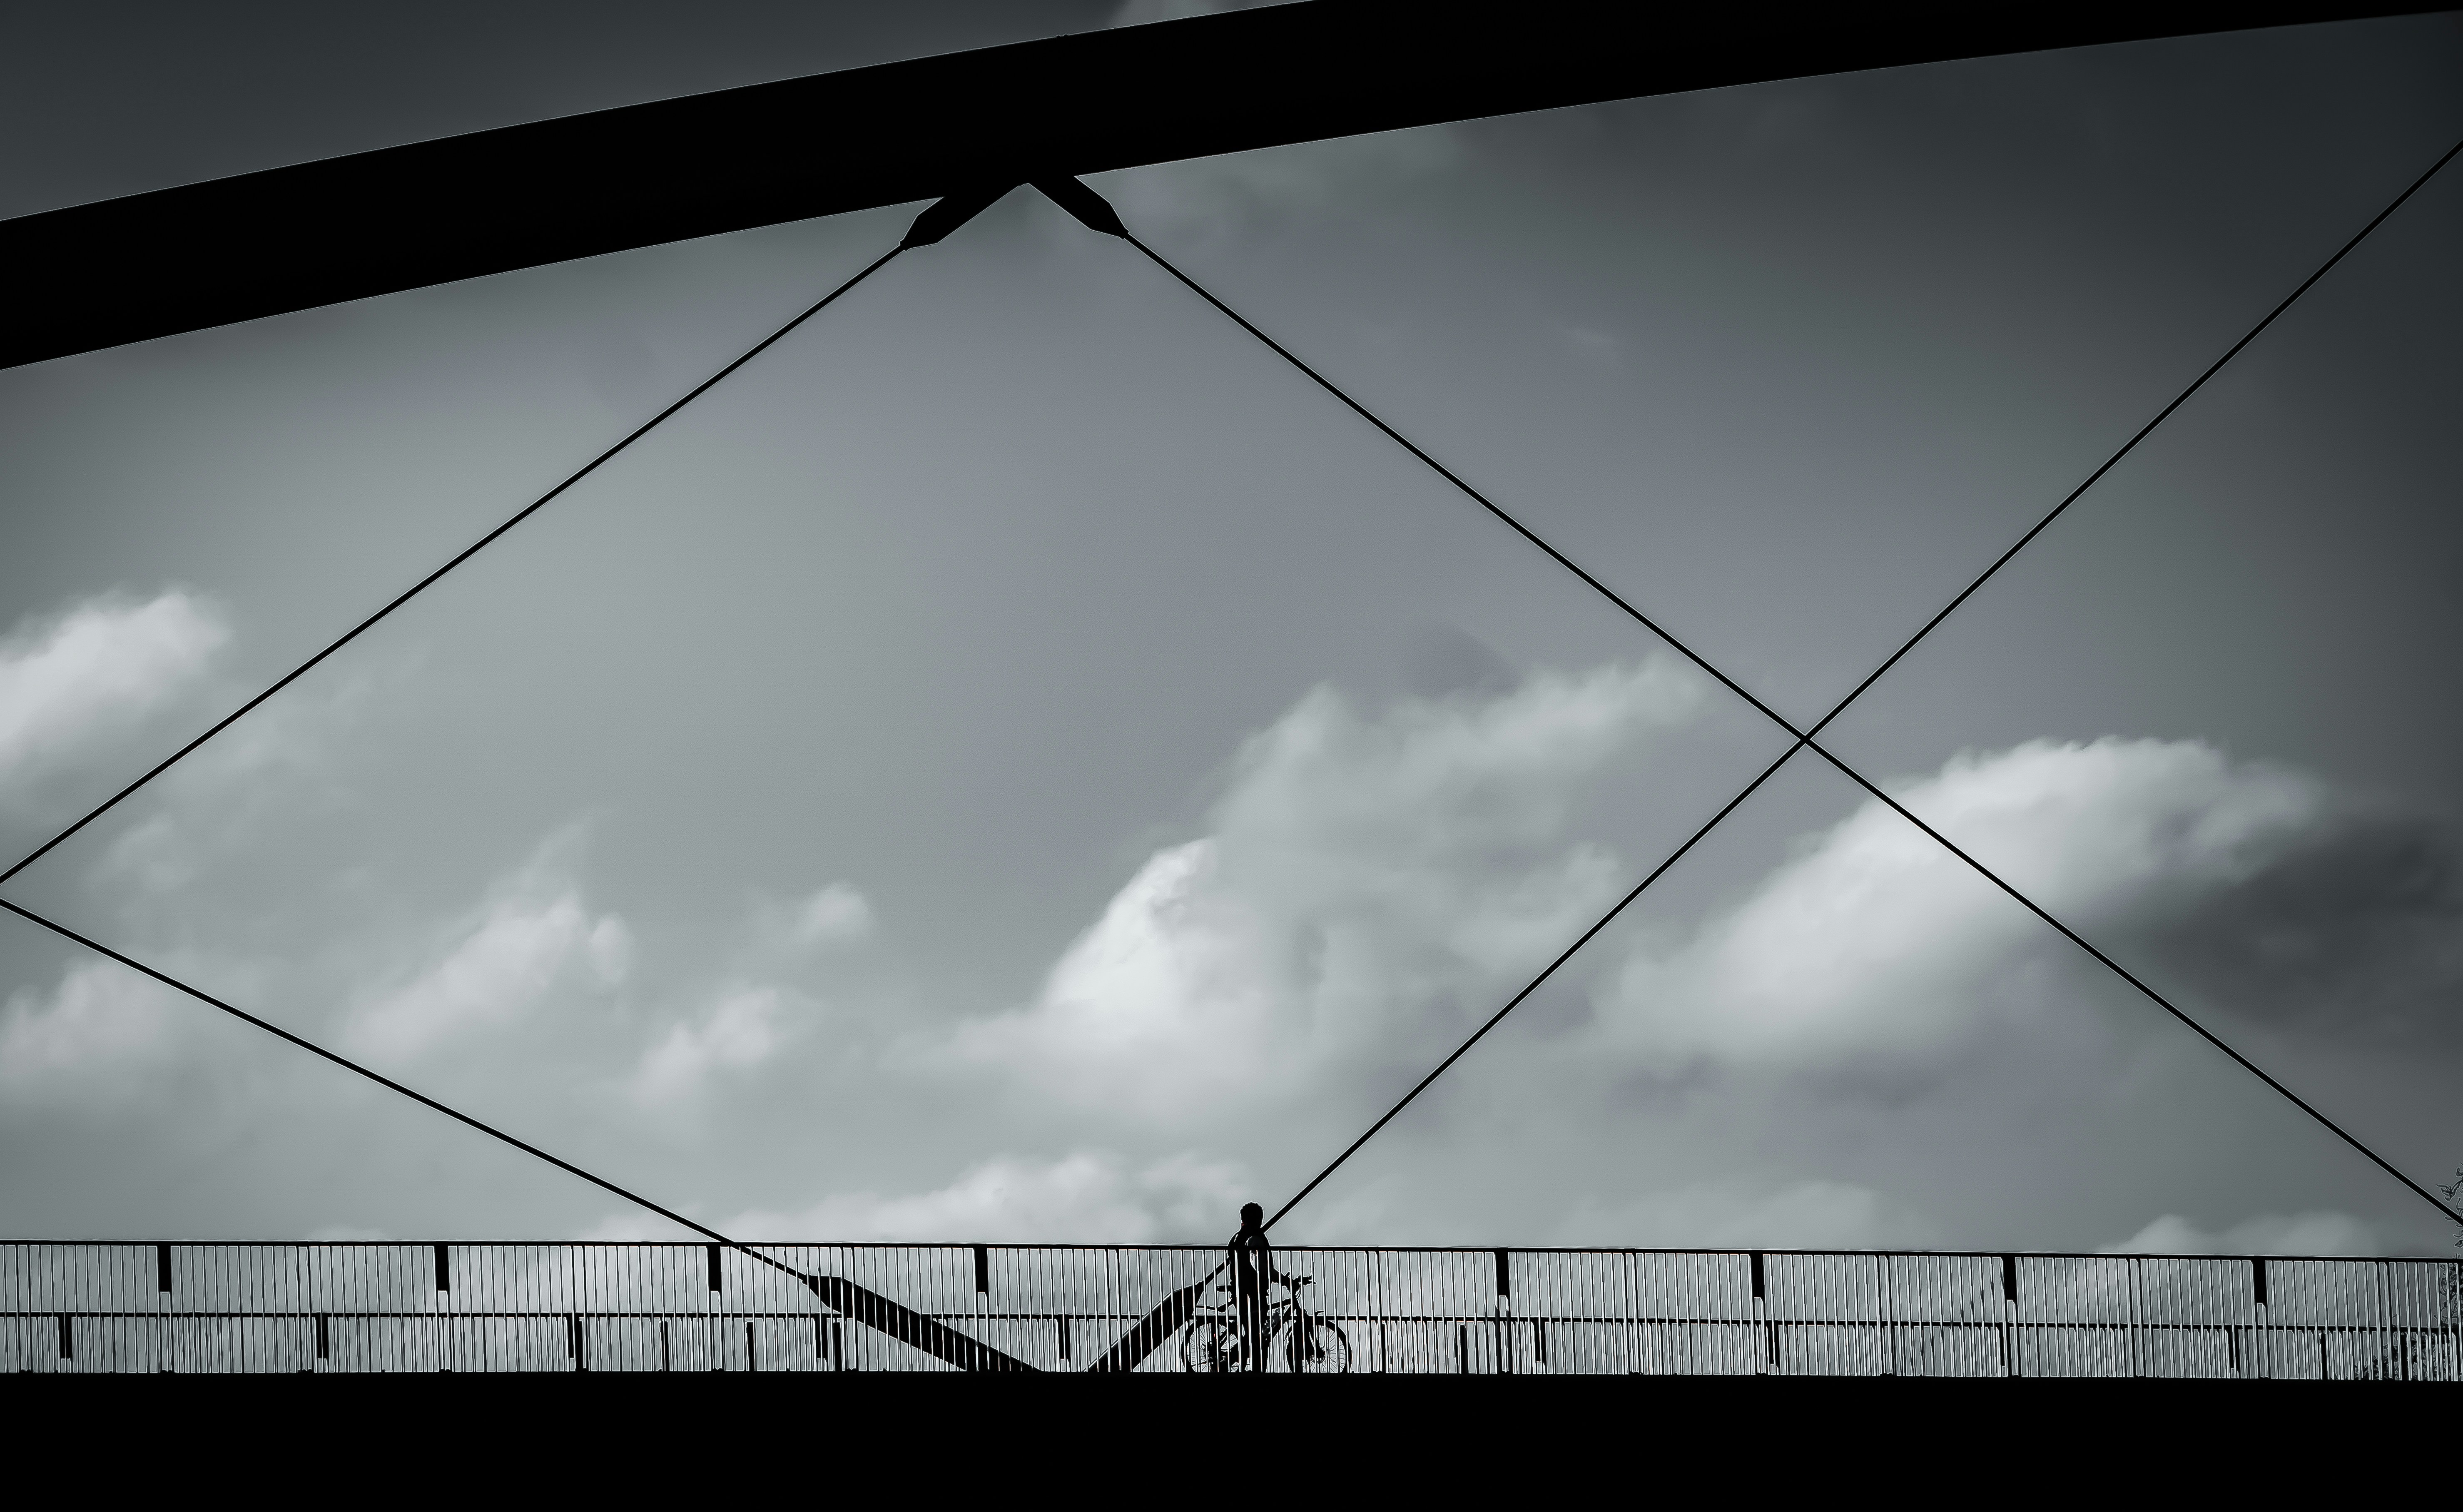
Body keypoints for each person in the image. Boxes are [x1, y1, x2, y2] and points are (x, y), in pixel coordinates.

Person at [1227, 1202, 1282, 1372]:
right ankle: (1256, 1371)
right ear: (1256, 1219)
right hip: (1253, 1293)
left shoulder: (1237, 1237)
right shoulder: (1254, 1238)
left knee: (1252, 1333)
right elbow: (1261, 1266)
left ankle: (1244, 1368)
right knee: (1258, 1337)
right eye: (1259, 1219)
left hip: (1241, 1291)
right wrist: (1285, 1281)